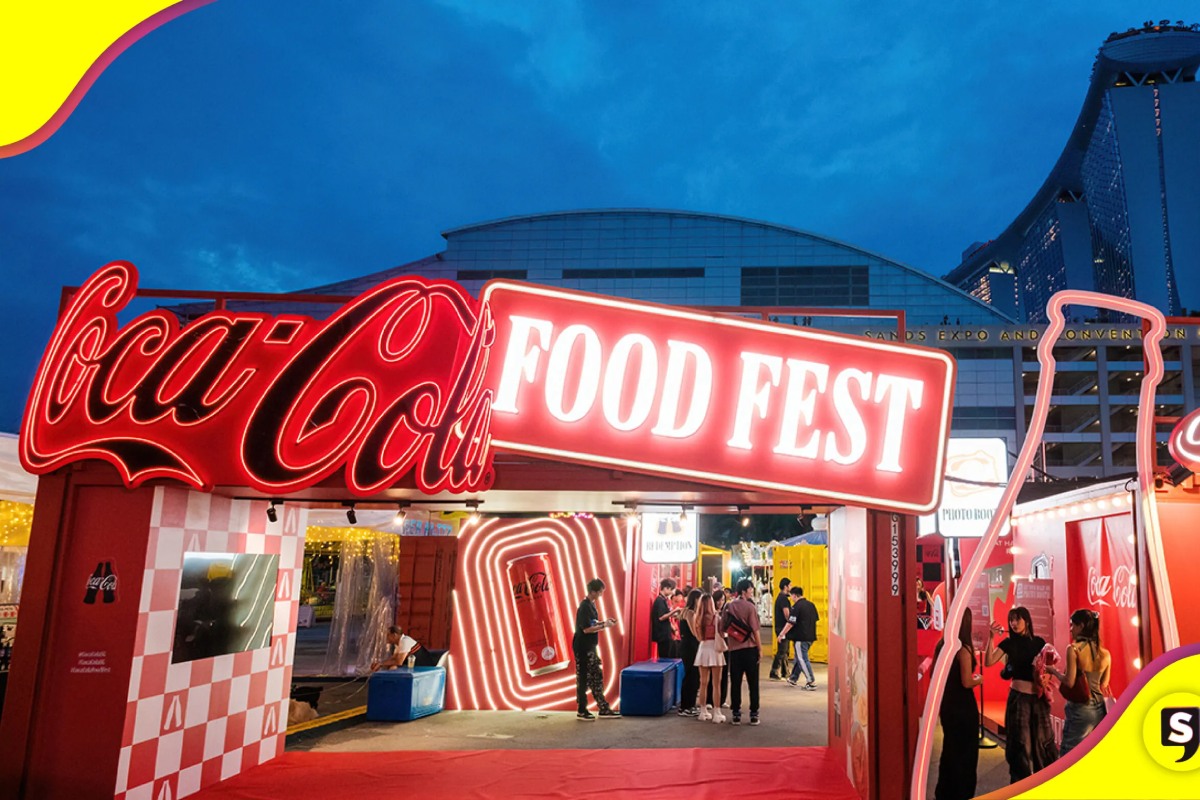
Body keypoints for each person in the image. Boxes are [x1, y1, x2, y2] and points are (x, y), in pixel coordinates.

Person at [985, 606, 1057, 782]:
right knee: (1020, 746)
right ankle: (1021, 785)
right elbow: (988, 661)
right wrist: (991, 637)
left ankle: (1044, 783)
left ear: (1027, 620)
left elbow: (1049, 667)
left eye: (1017, 619)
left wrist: (1046, 678)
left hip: (1038, 699)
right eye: (1011, 620)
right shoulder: (1009, 643)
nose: (1014, 623)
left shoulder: (1039, 643)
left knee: (1043, 744)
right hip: (1018, 699)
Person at [933, 608, 981, 800]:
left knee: (950, 749)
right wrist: (979, 679)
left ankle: (945, 791)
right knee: (966, 752)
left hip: (948, 705)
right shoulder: (963, 649)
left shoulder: (942, 645)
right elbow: (967, 681)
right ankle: (961, 792)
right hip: (963, 707)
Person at [1048, 609, 1111, 756]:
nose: (1071, 629)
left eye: (1073, 625)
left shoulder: (1074, 649)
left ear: (1081, 626)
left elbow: (1069, 682)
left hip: (1080, 708)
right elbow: (1105, 683)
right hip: (1100, 708)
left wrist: (1054, 671)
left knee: (1069, 754)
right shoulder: (1105, 654)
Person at [573, 578, 620, 720]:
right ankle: (584, 709)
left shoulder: (590, 605)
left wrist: (604, 623)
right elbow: (587, 629)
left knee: (595, 676)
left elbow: (591, 624)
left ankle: (602, 707)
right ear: (593, 592)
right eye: (599, 592)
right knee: (585, 677)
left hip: (589, 646)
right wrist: (604, 626)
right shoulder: (585, 607)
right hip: (583, 647)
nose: (601, 594)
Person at [721, 578, 762, 726]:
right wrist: (760, 648)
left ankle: (736, 714)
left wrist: (733, 636)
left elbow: (722, 628)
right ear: (744, 591)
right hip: (750, 649)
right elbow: (755, 630)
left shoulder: (728, 606)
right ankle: (754, 715)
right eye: (750, 589)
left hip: (735, 651)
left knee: (736, 682)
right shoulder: (750, 607)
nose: (752, 591)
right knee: (753, 683)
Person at [693, 587, 726, 723]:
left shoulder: (697, 618)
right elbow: (722, 634)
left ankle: (703, 711)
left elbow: (697, 636)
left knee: (703, 683)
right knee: (716, 683)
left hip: (703, 648)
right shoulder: (717, 618)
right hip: (715, 650)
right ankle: (717, 712)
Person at [778, 585, 819, 689]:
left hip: (801, 638)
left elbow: (790, 623)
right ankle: (793, 678)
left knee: (802, 659)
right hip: (811, 637)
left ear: (795, 595)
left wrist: (781, 634)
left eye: (791, 596)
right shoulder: (811, 605)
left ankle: (811, 681)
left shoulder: (797, 607)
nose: (791, 598)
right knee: (799, 658)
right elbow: (815, 620)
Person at [677, 589, 703, 716]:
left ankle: (687, 705)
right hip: (691, 647)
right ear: (695, 599)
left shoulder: (684, 612)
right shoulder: (691, 613)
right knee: (692, 676)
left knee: (690, 675)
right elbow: (695, 632)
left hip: (686, 646)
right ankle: (687, 706)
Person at [768, 577, 792, 680]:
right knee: (782, 650)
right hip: (783, 628)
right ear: (785, 586)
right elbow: (786, 614)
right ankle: (774, 671)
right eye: (790, 585)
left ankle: (785, 672)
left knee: (785, 650)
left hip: (780, 627)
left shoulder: (780, 597)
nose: (791, 587)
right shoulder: (783, 599)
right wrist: (791, 623)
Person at [651, 578, 680, 660]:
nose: (672, 592)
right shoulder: (659, 601)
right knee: (665, 658)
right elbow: (661, 617)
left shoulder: (663, 600)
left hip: (666, 634)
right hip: (662, 635)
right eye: (671, 590)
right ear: (666, 588)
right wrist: (675, 611)